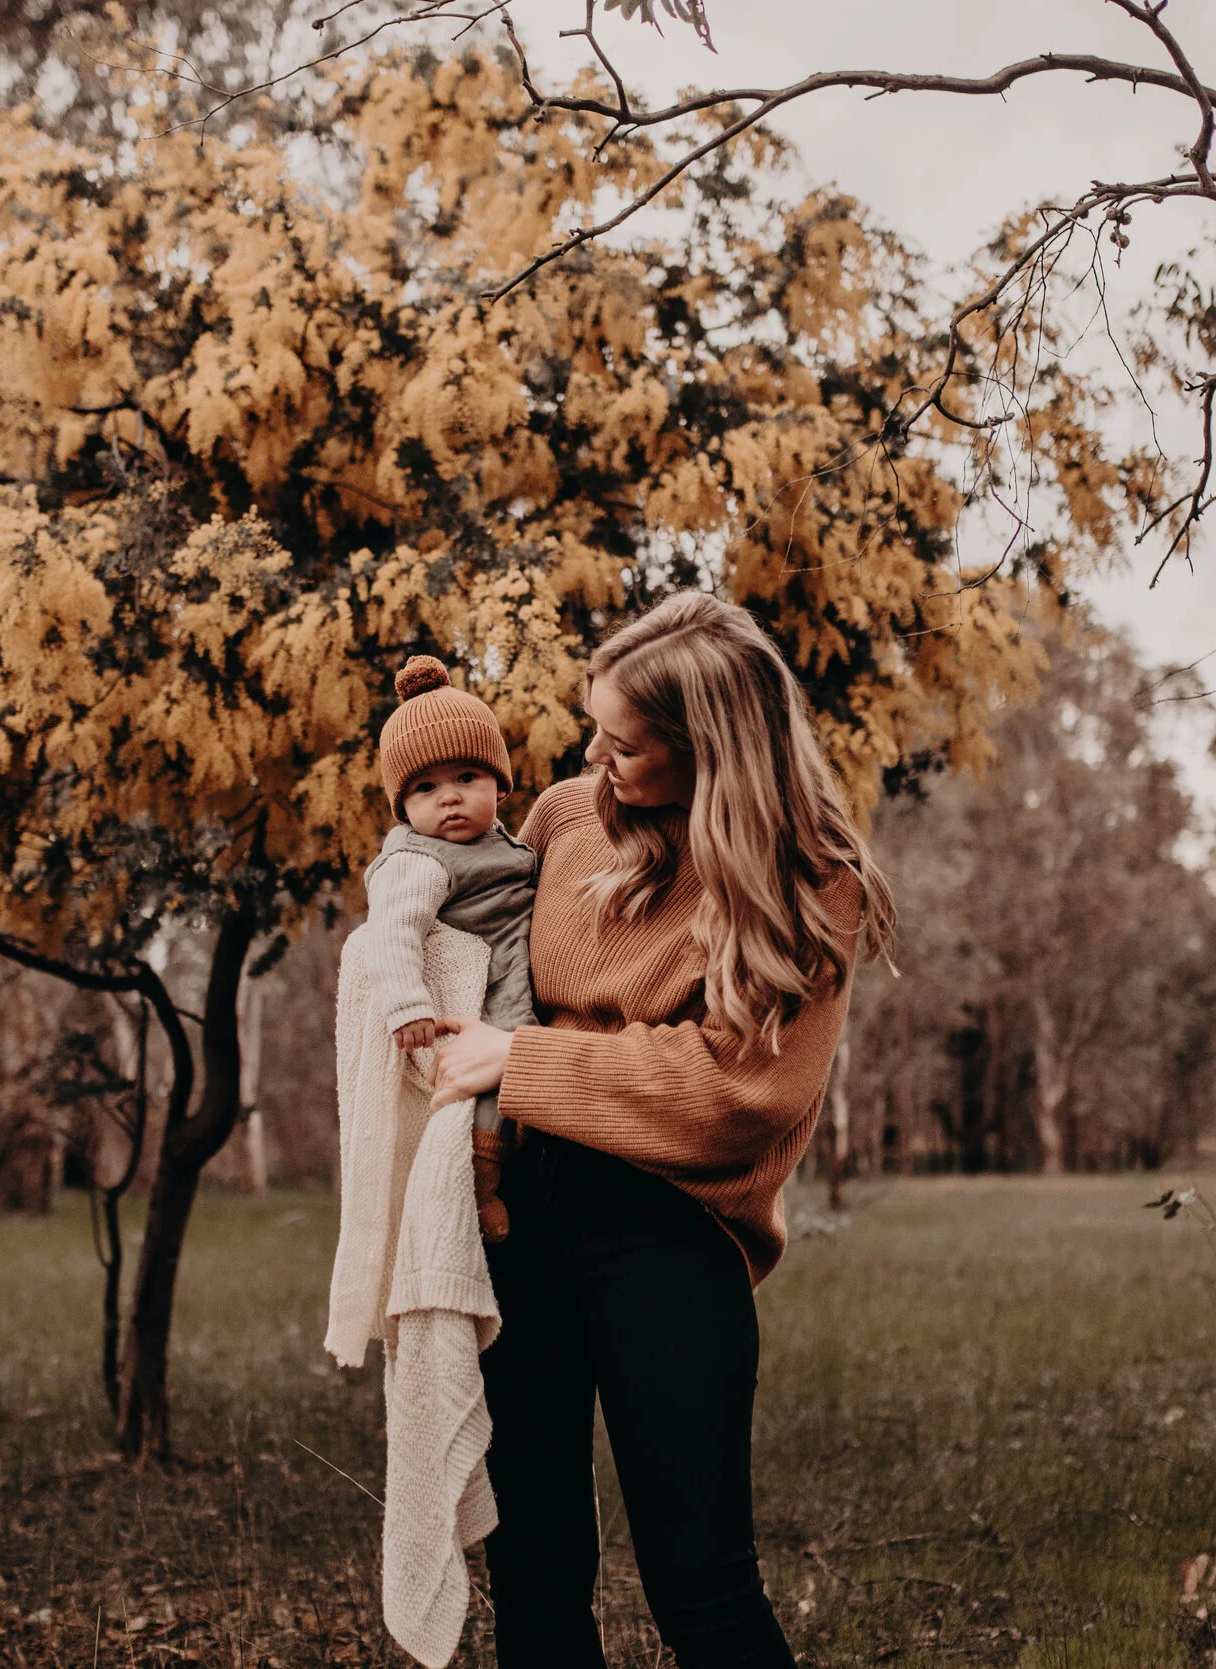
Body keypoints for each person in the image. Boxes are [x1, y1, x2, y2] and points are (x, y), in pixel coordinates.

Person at [425, 593, 896, 1669]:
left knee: (701, 1586)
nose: (595, 755)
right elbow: (478, 955)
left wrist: (523, 1061)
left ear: (709, 750)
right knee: (533, 1578)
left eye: (624, 742)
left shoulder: (812, 880)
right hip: (514, 1219)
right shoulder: (562, 818)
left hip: (668, 1237)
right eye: (594, 726)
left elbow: (741, 1094)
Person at [358, 654, 538, 1242]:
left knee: (530, 1071)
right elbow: (393, 931)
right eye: (426, 788)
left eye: (468, 779)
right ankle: (479, 1188)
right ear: (404, 805)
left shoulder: (505, 843)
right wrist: (406, 1004)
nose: (451, 799)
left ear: (500, 785)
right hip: (477, 995)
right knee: (486, 1083)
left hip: (517, 973)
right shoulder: (416, 859)